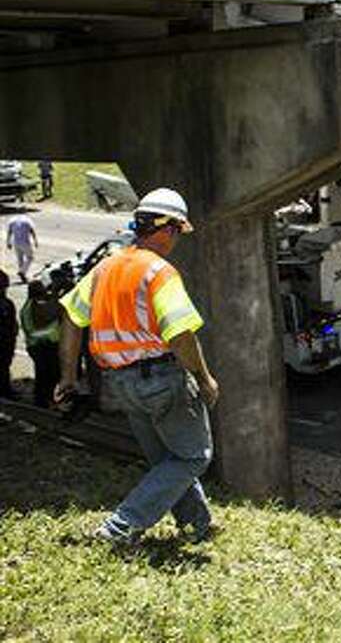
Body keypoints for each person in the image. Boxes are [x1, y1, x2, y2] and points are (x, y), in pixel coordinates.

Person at [56, 188, 220, 546]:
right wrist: (204, 378)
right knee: (195, 456)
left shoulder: (105, 268)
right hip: (161, 378)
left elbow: (70, 317)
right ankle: (120, 527)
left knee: (167, 458)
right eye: (177, 232)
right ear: (168, 229)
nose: (176, 240)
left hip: (119, 383)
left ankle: (198, 524)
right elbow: (180, 334)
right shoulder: (159, 272)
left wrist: (68, 377)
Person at [21, 281, 61, 407]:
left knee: (49, 373)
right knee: (44, 375)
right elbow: (34, 331)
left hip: (45, 346)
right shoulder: (30, 308)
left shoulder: (38, 305)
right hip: (38, 346)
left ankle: (47, 398)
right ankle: (42, 400)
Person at [6, 213, 37, 281]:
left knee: (20, 259)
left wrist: (8, 242)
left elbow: (9, 232)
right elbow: (32, 231)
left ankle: (23, 276)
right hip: (25, 242)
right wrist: (35, 241)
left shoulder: (12, 220)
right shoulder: (27, 220)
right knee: (30, 258)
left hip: (16, 242)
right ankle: (22, 271)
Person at [0, 271, 16, 399]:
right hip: (4, 340)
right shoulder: (6, 304)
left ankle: (6, 390)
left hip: (6, 341)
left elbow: (12, 324)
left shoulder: (8, 304)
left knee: (5, 367)